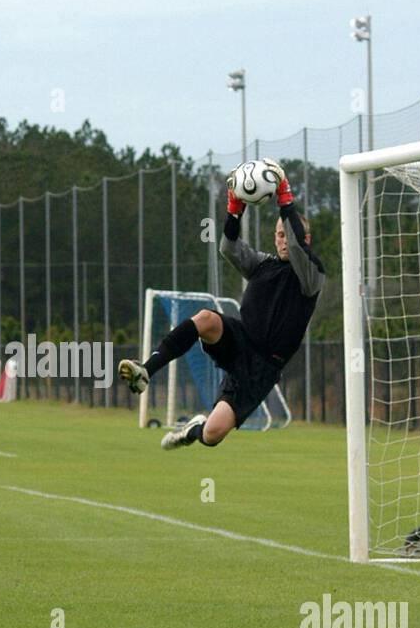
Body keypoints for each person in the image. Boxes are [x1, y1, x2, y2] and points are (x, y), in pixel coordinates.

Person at [119, 160, 325, 448]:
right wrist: (234, 210)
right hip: (240, 340)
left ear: (304, 239)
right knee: (206, 319)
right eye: (278, 234)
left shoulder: (311, 273)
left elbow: (297, 244)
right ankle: (146, 370)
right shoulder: (263, 264)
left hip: (262, 367)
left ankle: (192, 431)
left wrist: (285, 197)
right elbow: (228, 247)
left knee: (212, 435)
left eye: (287, 235)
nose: (282, 240)